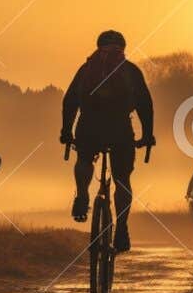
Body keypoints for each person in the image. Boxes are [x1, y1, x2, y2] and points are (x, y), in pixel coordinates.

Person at [61, 30, 154, 253]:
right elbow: (145, 105)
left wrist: (66, 130)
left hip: (89, 126)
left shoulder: (87, 68)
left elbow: (70, 100)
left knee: (84, 158)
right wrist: (147, 135)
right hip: (119, 128)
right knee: (122, 179)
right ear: (123, 46)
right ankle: (121, 228)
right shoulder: (130, 70)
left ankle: (82, 194)